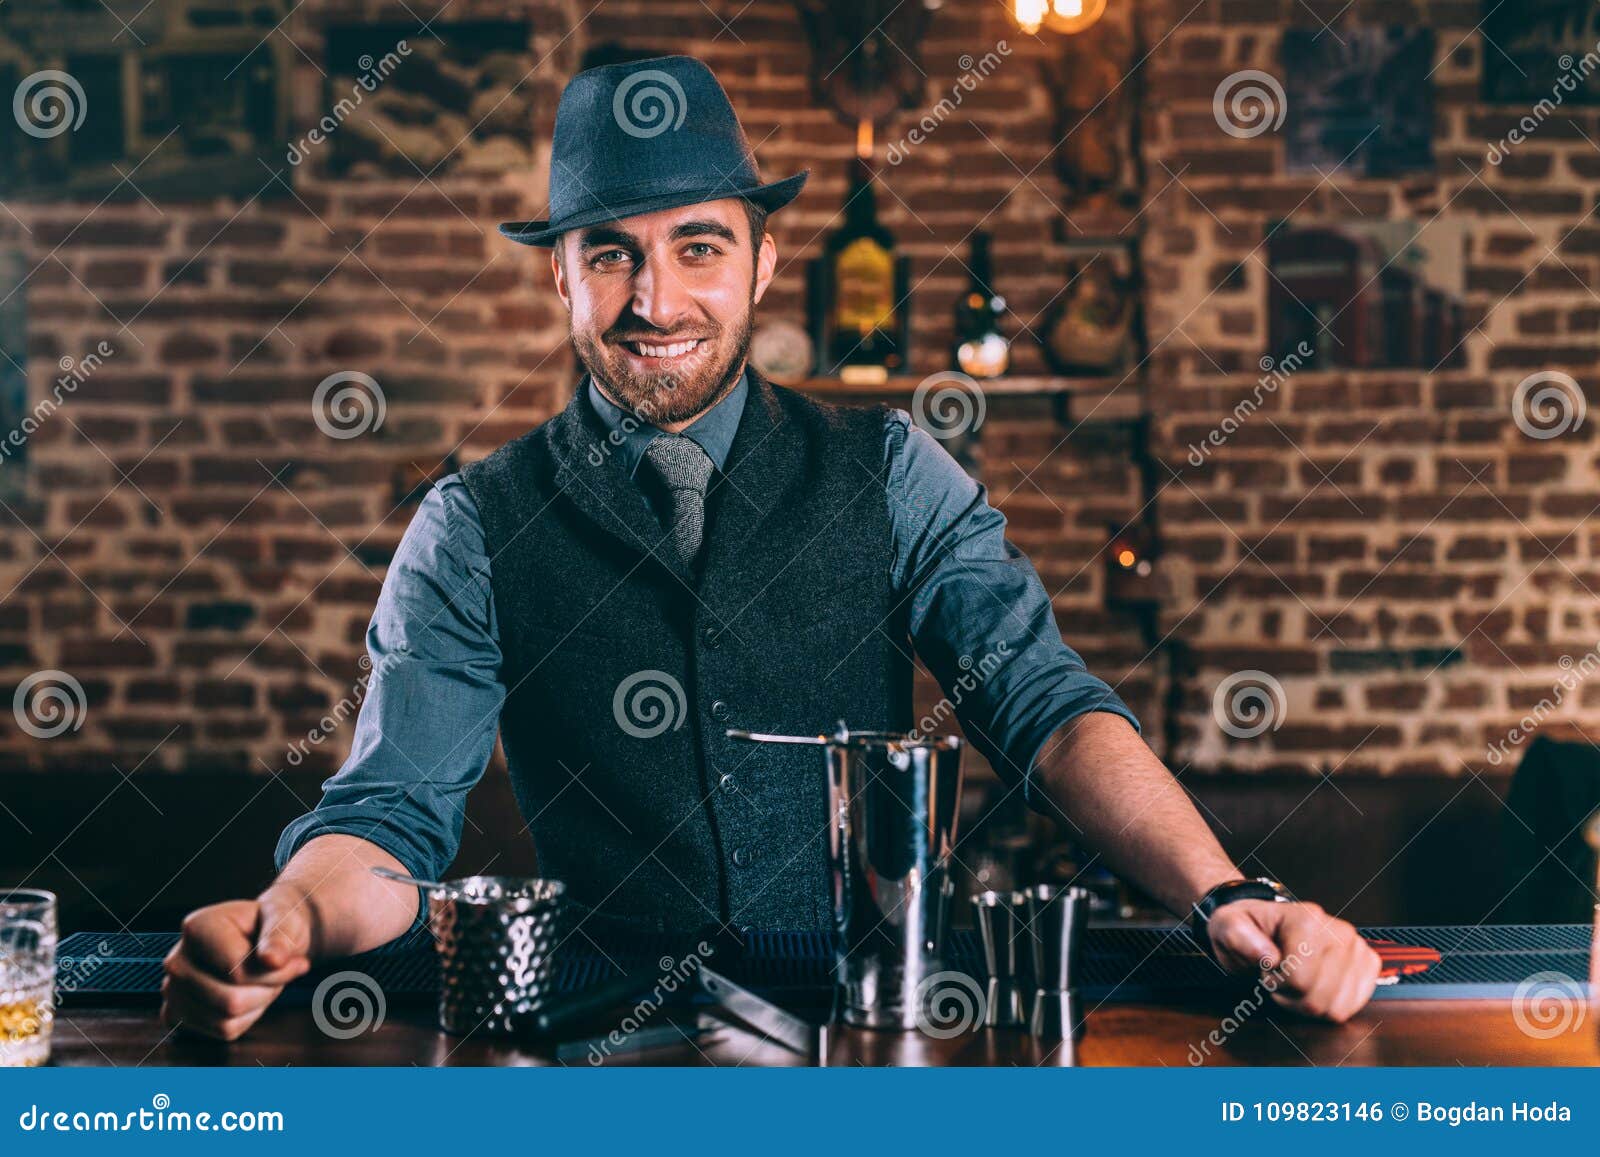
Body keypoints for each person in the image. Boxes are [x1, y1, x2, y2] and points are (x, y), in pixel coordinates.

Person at [161, 55, 1379, 1041]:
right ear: (560, 279)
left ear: (764, 260)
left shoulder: (894, 470)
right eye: (610, 253)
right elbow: (388, 822)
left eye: (696, 244)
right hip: (606, 1045)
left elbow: (1045, 707)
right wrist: (288, 920)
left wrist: (1226, 894)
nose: (654, 300)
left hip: (876, 1035)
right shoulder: (472, 524)